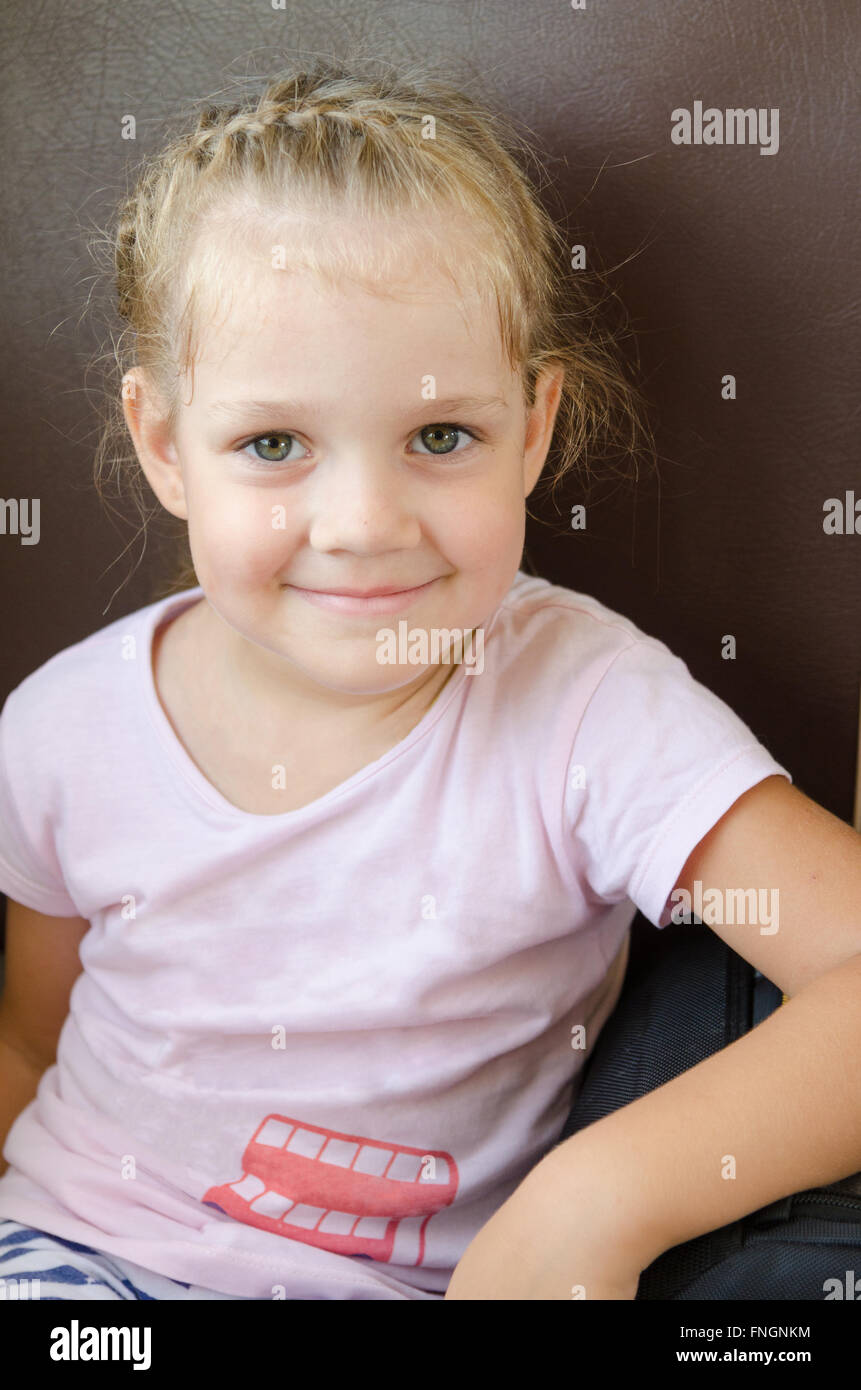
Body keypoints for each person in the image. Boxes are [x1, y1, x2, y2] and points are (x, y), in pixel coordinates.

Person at [1, 60, 859, 1303]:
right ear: (164, 444)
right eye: (274, 443)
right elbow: (29, 1036)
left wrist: (595, 1199)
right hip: (72, 1261)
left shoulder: (587, 707)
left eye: (440, 436)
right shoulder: (64, 730)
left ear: (536, 426)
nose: (362, 523)